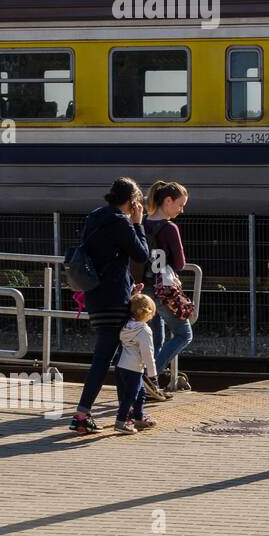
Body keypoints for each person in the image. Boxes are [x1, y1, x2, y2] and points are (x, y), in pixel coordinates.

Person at [69, 177, 150, 435]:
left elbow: (109, 260)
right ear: (131, 201)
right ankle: (84, 415)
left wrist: (128, 285)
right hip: (114, 299)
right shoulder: (120, 222)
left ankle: (128, 414)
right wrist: (138, 225)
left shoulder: (94, 217)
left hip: (95, 297)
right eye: (135, 203)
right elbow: (141, 255)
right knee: (113, 359)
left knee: (116, 357)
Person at [138, 180, 193, 395]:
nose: (181, 210)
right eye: (180, 205)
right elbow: (179, 263)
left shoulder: (141, 223)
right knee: (183, 334)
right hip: (163, 291)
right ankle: (149, 379)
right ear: (167, 201)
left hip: (144, 288)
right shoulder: (170, 228)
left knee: (157, 339)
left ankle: (146, 389)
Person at [114, 293, 159, 434]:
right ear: (148, 312)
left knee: (141, 393)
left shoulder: (126, 325)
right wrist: (153, 376)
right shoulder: (144, 330)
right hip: (134, 367)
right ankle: (120, 422)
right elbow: (148, 353)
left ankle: (139, 418)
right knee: (131, 396)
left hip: (122, 365)